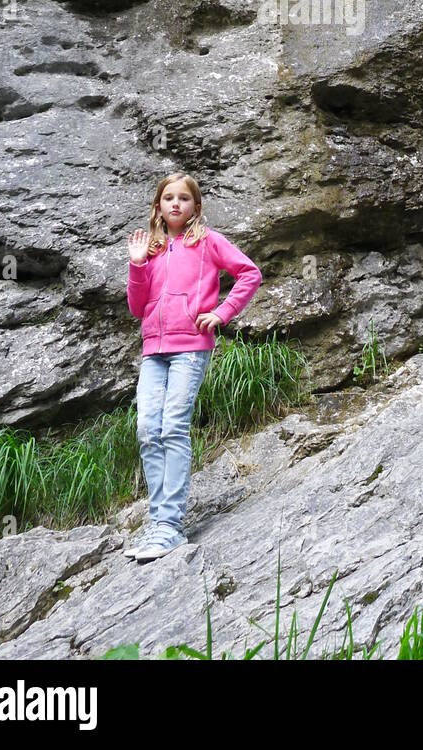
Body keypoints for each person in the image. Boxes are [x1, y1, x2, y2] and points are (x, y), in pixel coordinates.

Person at [123, 171, 262, 561]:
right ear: (158, 206)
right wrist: (137, 265)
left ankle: (169, 527)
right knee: (148, 430)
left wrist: (222, 313)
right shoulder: (150, 250)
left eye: (184, 198)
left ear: (195, 206)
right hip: (153, 351)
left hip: (190, 349)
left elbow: (250, 273)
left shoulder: (208, 241)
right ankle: (158, 523)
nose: (176, 204)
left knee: (172, 427)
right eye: (169, 198)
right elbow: (137, 308)